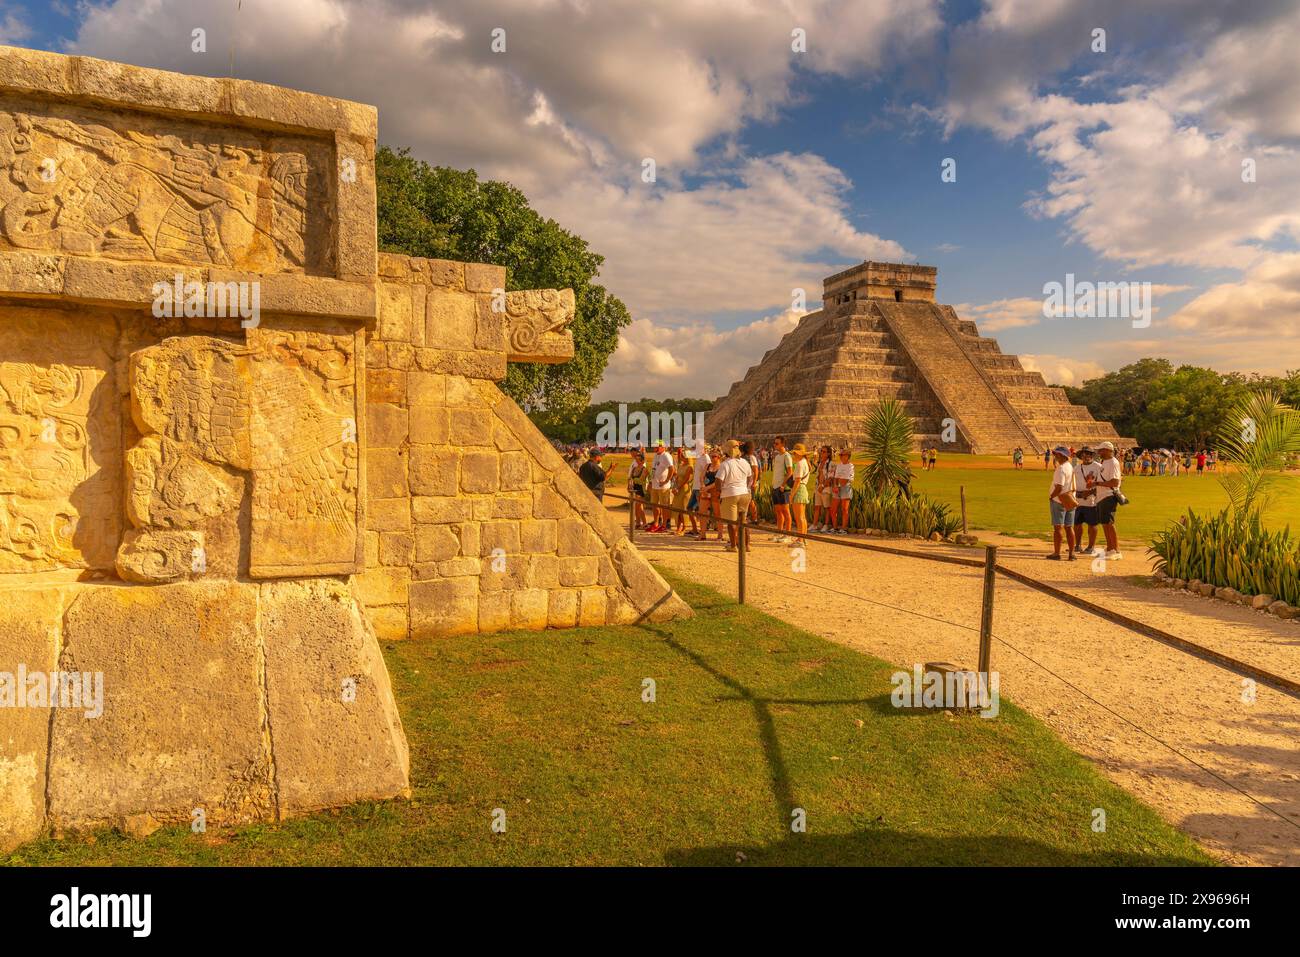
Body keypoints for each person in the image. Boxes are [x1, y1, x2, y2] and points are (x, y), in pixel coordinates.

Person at [716, 439, 754, 551]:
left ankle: (733, 546)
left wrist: (720, 492)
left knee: (731, 522)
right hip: (744, 493)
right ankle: (746, 545)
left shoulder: (725, 464)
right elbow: (750, 477)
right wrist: (745, 487)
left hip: (730, 493)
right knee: (743, 520)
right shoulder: (745, 462)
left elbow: (718, 480)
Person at [1092, 440, 1124, 560]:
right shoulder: (1105, 462)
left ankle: (1116, 550)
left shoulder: (1113, 462)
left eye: (1101, 450)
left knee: (1109, 523)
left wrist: (1098, 483)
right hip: (1102, 496)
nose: (1099, 452)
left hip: (1108, 495)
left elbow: (1115, 482)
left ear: (1108, 450)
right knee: (1105, 523)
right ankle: (1110, 547)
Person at [1047, 446, 1076, 561]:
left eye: (1057, 454)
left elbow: (1059, 487)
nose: (1055, 456)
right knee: (1069, 527)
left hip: (1059, 500)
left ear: (1063, 456)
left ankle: (1057, 553)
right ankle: (1071, 554)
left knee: (1058, 528)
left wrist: (1051, 496)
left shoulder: (1061, 469)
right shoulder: (1070, 467)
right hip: (1070, 499)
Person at [1070, 447, 1100, 553]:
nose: (1086, 456)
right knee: (1077, 524)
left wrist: (1090, 492)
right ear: (1081, 456)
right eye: (1084, 454)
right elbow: (1072, 483)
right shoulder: (1077, 468)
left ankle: (1091, 547)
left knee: (1092, 525)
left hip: (1092, 500)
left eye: (1089, 454)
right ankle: (1077, 545)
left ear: (1092, 455)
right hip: (1078, 500)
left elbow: (1102, 485)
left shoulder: (1098, 467)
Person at [770, 436, 794, 542]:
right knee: (778, 511)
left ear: (783, 444)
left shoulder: (787, 456)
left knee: (786, 511)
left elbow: (790, 472)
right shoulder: (778, 456)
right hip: (776, 486)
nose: (775, 445)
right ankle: (779, 532)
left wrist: (783, 485)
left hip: (783, 487)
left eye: (777, 443)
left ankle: (787, 534)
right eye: (774, 443)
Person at [647, 440, 675, 532]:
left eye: (658, 446)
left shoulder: (666, 455)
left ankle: (664, 524)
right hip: (655, 485)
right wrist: (650, 482)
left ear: (663, 447)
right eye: (655, 446)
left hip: (663, 486)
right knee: (654, 505)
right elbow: (653, 469)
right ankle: (656, 523)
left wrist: (667, 480)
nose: (656, 447)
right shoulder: (656, 455)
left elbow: (672, 468)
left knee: (664, 506)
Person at [789, 443, 811, 541]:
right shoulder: (805, 462)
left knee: (799, 517)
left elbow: (797, 481)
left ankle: (800, 539)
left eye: (795, 453)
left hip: (799, 489)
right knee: (802, 517)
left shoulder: (800, 464)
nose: (794, 455)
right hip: (803, 488)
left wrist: (791, 494)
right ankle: (803, 538)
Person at [832, 448, 854, 534]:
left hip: (845, 488)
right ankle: (835, 527)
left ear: (847, 456)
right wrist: (835, 486)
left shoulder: (851, 466)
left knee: (844, 509)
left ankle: (844, 528)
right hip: (837, 487)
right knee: (833, 509)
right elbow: (836, 477)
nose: (840, 456)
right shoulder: (839, 465)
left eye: (842, 455)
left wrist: (838, 485)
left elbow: (846, 479)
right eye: (840, 455)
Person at [671, 445, 693, 534]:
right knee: (677, 508)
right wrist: (674, 487)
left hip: (684, 489)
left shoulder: (689, 467)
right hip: (677, 488)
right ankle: (678, 527)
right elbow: (676, 477)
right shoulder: (681, 465)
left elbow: (686, 479)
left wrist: (678, 487)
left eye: (683, 455)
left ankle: (684, 528)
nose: (681, 457)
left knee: (683, 509)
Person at [812, 445, 834, 531]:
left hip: (826, 488)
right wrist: (818, 486)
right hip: (818, 487)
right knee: (817, 507)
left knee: (826, 507)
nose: (821, 453)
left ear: (828, 454)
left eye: (824, 452)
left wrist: (823, 486)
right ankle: (814, 525)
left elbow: (830, 477)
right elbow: (818, 475)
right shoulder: (820, 463)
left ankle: (826, 525)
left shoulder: (831, 464)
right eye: (821, 451)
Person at [627, 448, 648, 529]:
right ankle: (638, 522)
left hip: (640, 488)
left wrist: (632, 480)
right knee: (636, 506)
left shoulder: (643, 466)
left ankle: (644, 522)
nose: (637, 460)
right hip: (634, 487)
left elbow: (641, 478)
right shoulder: (634, 463)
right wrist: (629, 483)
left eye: (639, 459)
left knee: (639, 506)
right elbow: (631, 476)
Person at [742, 440, 761, 523]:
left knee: (751, 500)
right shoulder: (745, 457)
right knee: (749, 500)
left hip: (750, 482)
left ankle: (754, 518)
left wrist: (754, 482)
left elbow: (756, 470)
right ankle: (752, 517)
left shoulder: (751, 457)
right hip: (745, 482)